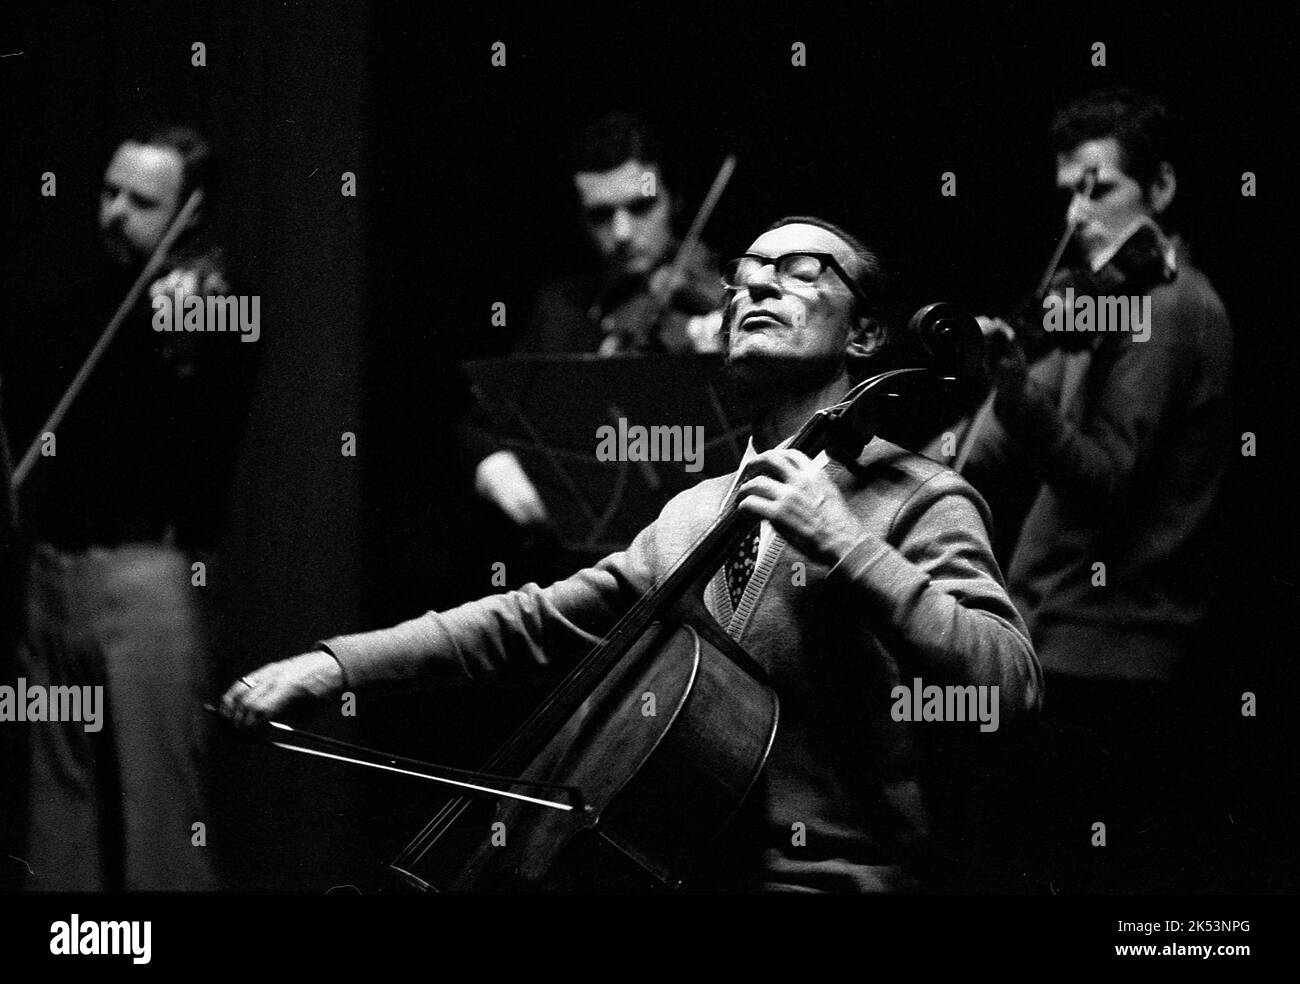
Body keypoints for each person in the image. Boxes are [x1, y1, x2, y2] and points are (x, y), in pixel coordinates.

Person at [223, 216, 1042, 893]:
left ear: (864, 331)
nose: (755, 286)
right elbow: (528, 622)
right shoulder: (691, 516)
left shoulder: (919, 496)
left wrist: (849, 544)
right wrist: (339, 666)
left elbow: (1009, 685)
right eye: (744, 274)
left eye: (798, 272)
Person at [955, 89, 1234, 892]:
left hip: (1107, 657)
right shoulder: (1103, 310)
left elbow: (1104, 481)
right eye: (1067, 193)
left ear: (1164, 189)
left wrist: (1020, 393)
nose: (1076, 215)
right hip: (1057, 637)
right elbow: (996, 445)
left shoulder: (1172, 310)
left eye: (1098, 188)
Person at [5, 125, 249, 891]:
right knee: (58, 832)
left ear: (192, 212)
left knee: (158, 835)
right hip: (50, 581)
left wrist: (197, 312)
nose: (114, 212)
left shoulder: (208, 305)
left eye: (142, 201)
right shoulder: (77, 304)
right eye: (109, 192)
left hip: (144, 580)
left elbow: (225, 347)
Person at [470, 111, 727, 531]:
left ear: (675, 201)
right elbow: (486, 419)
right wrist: (494, 464)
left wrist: (719, 370)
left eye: (642, 207)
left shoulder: (728, 297)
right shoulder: (563, 308)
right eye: (601, 215)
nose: (622, 233)